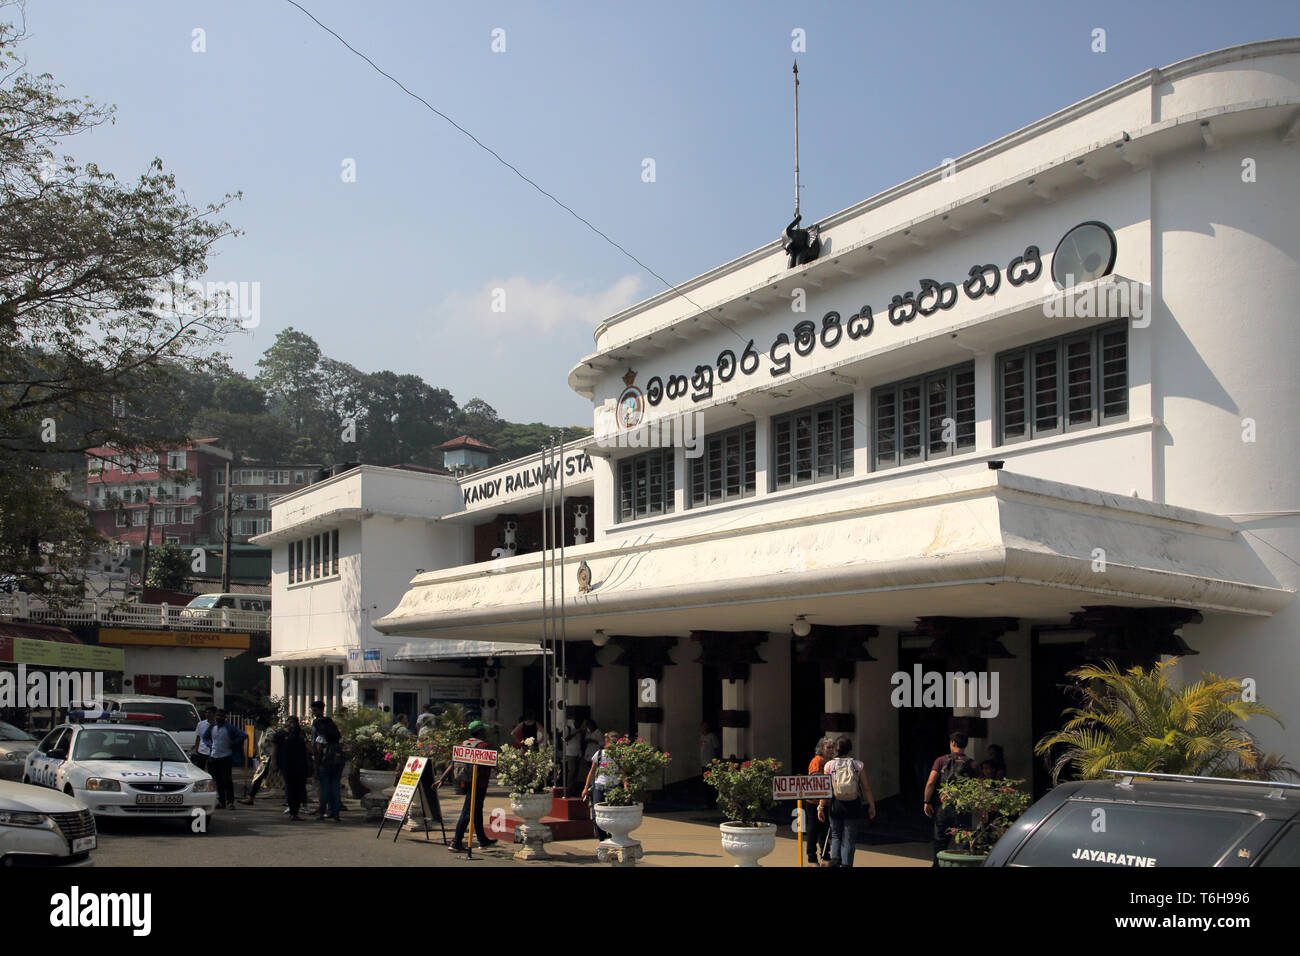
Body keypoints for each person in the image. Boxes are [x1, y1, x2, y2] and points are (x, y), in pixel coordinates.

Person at [437, 721, 497, 851]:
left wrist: (442, 779)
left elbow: (454, 763)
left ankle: (482, 839)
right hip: (479, 784)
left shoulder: (463, 744)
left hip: (465, 782)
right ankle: (456, 841)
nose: (486, 733)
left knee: (477, 811)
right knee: (467, 812)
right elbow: (492, 765)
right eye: (484, 731)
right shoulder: (484, 746)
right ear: (480, 732)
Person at [816, 736, 875, 867]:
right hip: (853, 805)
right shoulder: (858, 765)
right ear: (850, 749)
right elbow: (866, 788)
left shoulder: (829, 765)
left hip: (835, 805)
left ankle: (835, 861)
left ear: (836, 749)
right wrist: (871, 805)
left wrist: (820, 807)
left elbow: (826, 790)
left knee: (836, 835)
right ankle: (846, 864)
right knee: (849, 837)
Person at [923, 732, 979, 865]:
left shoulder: (941, 761)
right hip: (963, 809)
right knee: (963, 844)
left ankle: (937, 864)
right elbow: (979, 788)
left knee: (939, 842)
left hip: (944, 807)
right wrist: (980, 809)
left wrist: (927, 801)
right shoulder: (972, 764)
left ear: (953, 743)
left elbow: (931, 782)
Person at [201, 710, 248, 810]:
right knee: (218, 780)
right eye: (217, 716)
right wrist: (209, 744)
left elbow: (244, 735)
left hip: (226, 756)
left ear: (225, 717)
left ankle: (230, 802)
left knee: (227, 779)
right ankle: (221, 801)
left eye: (221, 716)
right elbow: (204, 737)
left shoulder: (229, 727)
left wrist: (233, 743)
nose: (219, 718)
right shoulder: (212, 727)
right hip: (214, 756)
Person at [581, 731, 620, 840]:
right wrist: (585, 788)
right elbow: (591, 772)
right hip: (599, 786)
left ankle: (612, 837)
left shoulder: (618, 756)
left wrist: (626, 790)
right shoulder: (599, 754)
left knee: (613, 815)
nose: (613, 745)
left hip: (613, 787)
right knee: (597, 814)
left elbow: (623, 773)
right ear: (606, 742)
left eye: (615, 743)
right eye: (611, 742)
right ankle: (602, 838)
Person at [274, 716, 312, 821]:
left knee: (299, 789)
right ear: (286, 723)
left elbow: (309, 749)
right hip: (286, 765)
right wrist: (274, 764)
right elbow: (275, 750)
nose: (291, 725)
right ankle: (292, 811)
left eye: (293, 722)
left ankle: (295, 811)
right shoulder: (280, 735)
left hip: (300, 766)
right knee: (290, 788)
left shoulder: (300, 735)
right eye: (289, 722)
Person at [806, 736, 835, 866]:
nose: (831, 750)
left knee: (825, 829)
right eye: (828, 747)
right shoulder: (817, 761)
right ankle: (811, 857)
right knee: (813, 829)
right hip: (814, 802)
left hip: (827, 801)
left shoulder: (832, 761)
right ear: (821, 749)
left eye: (833, 747)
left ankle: (825, 855)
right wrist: (820, 804)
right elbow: (816, 781)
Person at [313, 714, 345, 821]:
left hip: (324, 765)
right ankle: (336, 813)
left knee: (325, 789)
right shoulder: (339, 737)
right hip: (337, 765)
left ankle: (322, 812)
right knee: (335, 789)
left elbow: (318, 754)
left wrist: (316, 769)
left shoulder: (321, 738)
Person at [239, 718, 278, 804]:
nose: (256, 726)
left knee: (258, 778)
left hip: (269, 759)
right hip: (264, 758)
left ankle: (250, 797)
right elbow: (265, 746)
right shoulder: (264, 732)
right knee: (258, 778)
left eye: (257, 724)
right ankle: (250, 797)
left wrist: (273, 761)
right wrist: (260, 754)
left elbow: (275, 746)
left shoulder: (270, 733)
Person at [562, 718, 584, 794]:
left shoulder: (580, 730)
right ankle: (568, 788)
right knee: (572, 771)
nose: (580, 725)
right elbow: (566, 739)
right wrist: (576, 733)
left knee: (576, 772)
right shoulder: (568, 728)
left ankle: (574, 788)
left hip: (578, 752)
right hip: (570, 753)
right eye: (578, 723)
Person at [192, 706, 215, 771]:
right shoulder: (201, 724)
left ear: (214, 714)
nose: (207, 714)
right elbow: (198, 737)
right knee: (200, 769)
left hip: (213, 751)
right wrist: (197, 748)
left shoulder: (217, 725)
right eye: (206, 713)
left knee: (212, 769)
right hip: (202, 751)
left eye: (209, 713)